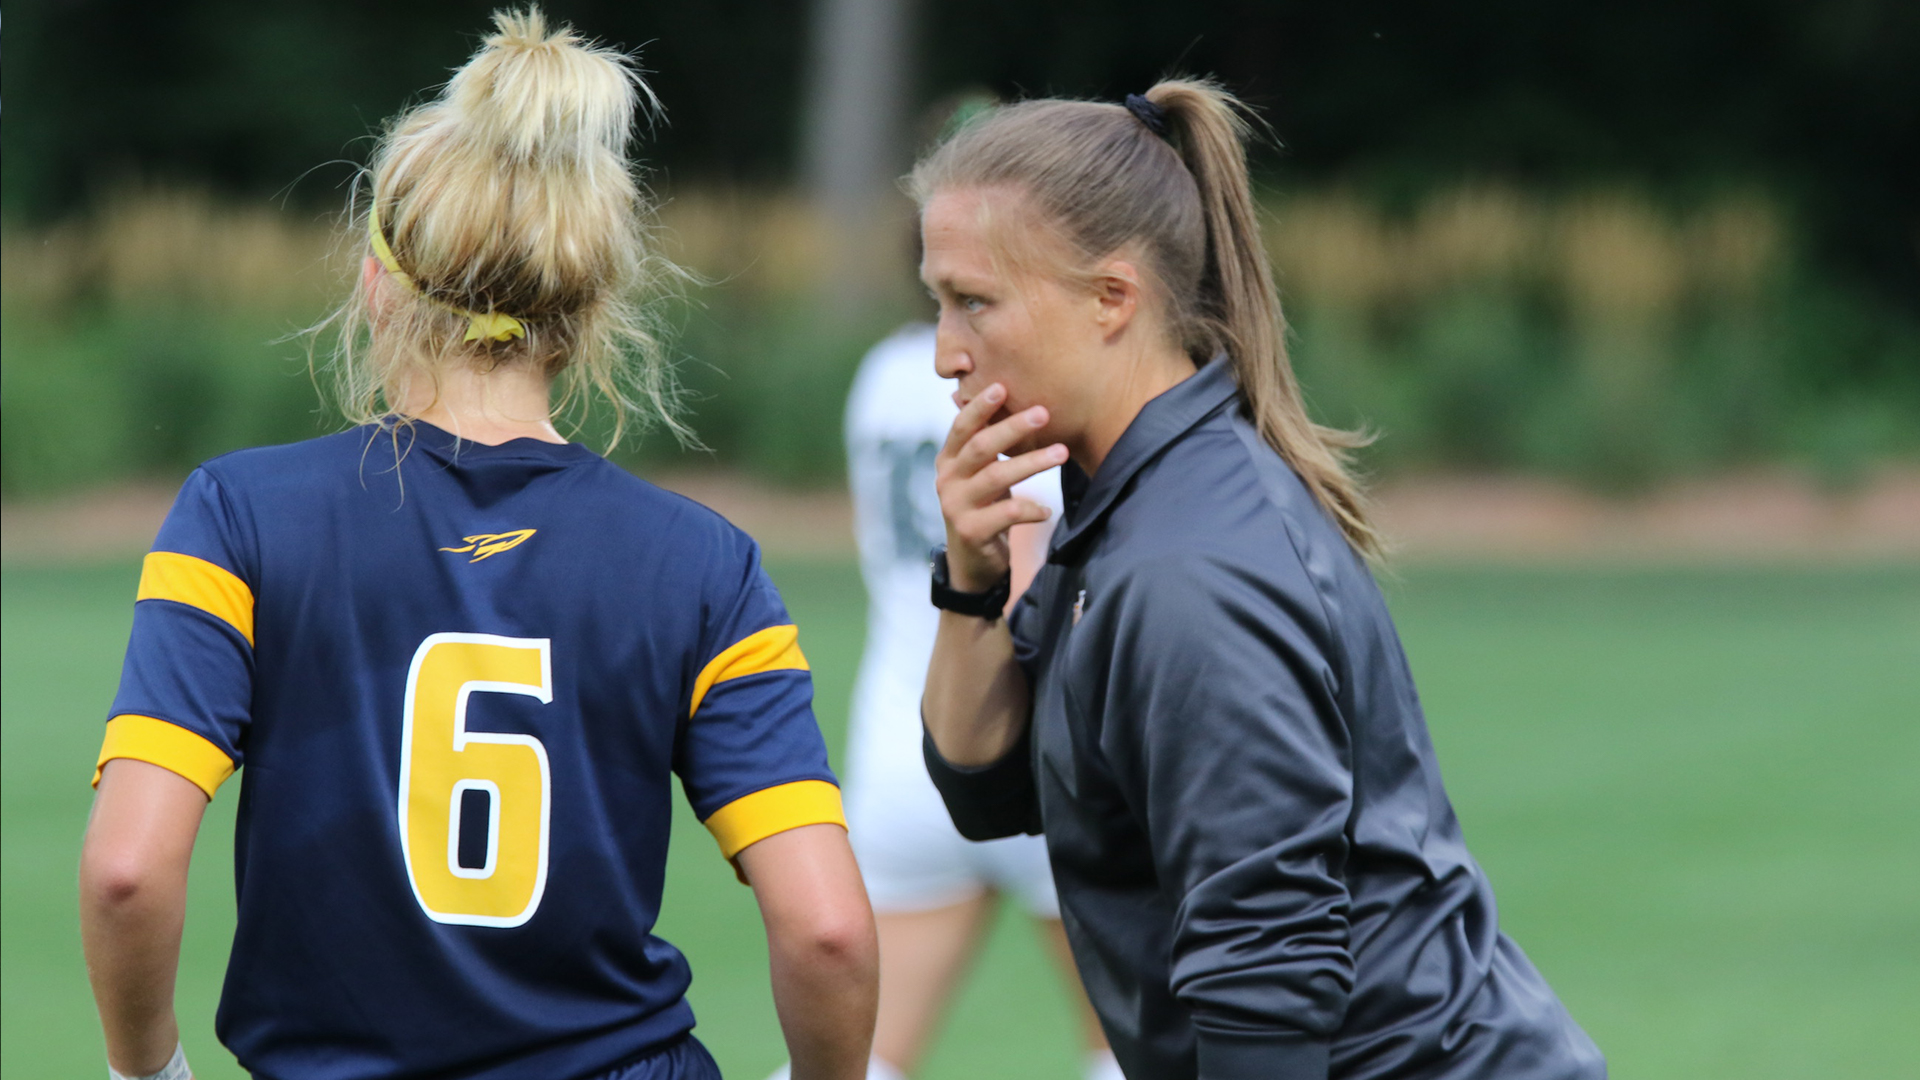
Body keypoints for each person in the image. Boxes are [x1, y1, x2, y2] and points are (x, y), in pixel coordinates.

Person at [77, 10, 877, 1080]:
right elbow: (829, 934)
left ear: (377, 284)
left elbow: (126, 871)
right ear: (589, 309)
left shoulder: (236, 515)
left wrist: (148, 1070)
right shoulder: (703, 563)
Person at [914, 82, 1607, 1080]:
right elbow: (985, 791)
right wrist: (972, 582)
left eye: (973, 301)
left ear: (1114, 299)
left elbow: (1266, 973)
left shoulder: (1190, 565)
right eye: (937, 301)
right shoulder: (1123, 507)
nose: (945, 352)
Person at [838, 324, 1121, 1080]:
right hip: (1021, 742)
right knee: (1126, 1049)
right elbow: (1020, 581)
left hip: (900, 747)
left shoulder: (879, 376)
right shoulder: (1014, 382)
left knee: (867, 1060)